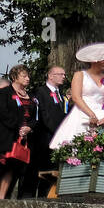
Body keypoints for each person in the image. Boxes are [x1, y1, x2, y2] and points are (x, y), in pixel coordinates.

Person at [49, 42, 104, 150]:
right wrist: (91, 115)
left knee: (103, 149)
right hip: (82, 115)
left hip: (102, 117)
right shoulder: (80, 75)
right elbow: (76, 97)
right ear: (94, 60)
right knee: (78, 147)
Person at [23, 63, 67, 198]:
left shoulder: (60, 95)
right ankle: (26, 198)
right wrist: (56, 131)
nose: (64, 77)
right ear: (50, 76)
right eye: (60, 74)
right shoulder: (41, 92)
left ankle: (44, 198)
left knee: (49, 172)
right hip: (42, 138)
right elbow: (43, 114)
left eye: (64, 74)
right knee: (35, 171)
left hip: (55, 139)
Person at [0, 65, 38, 199]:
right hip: (6, 136)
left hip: (23, 139)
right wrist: (18, 127)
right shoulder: (4, 93)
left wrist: (29, 127)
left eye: (28, 76)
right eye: (24, 76)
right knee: (2, 166)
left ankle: (2, 198)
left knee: (12, 168)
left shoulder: (32, 96)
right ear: (14, 77)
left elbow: (35, 117)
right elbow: (2, 113)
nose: (28, 78)